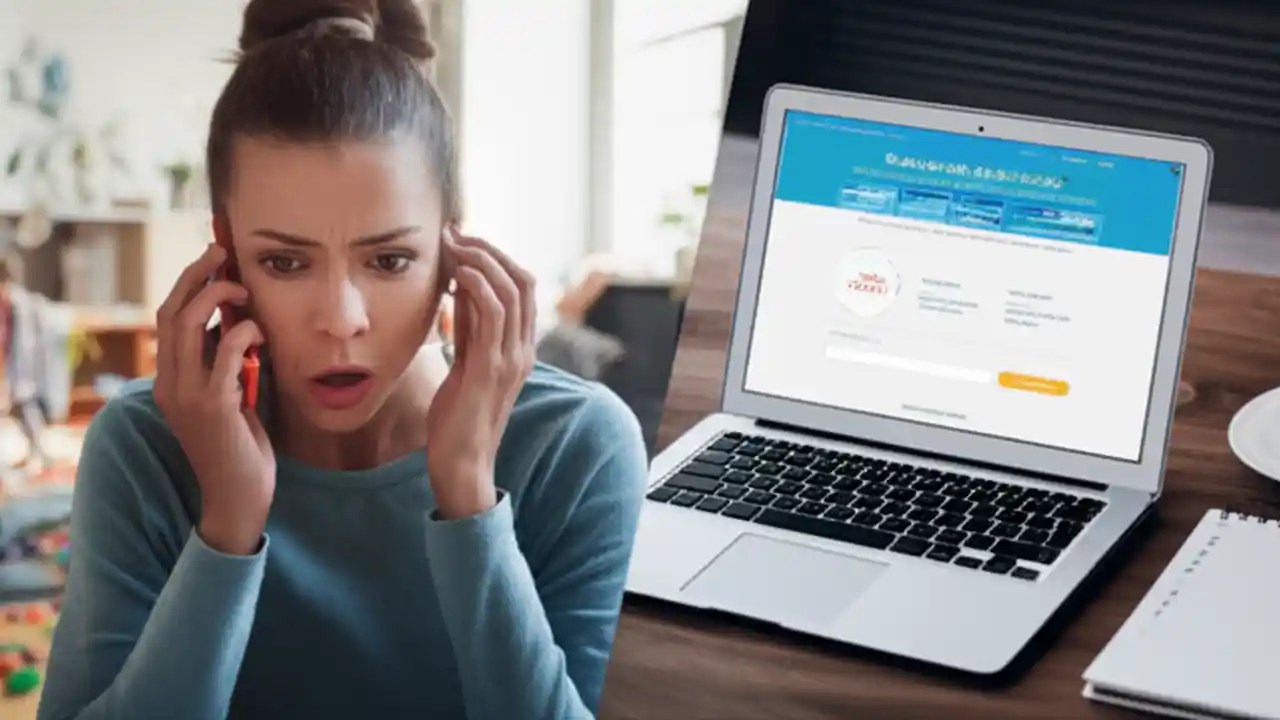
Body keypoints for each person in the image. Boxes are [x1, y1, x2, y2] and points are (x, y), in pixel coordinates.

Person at [36, 2, 648, 718]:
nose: (340, 322)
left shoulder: (578, 446)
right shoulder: (144, 445)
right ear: (224, 252)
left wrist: (469, 498)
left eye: (389, 259)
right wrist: (227, 526)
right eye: (285, 261)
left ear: (454, 246)